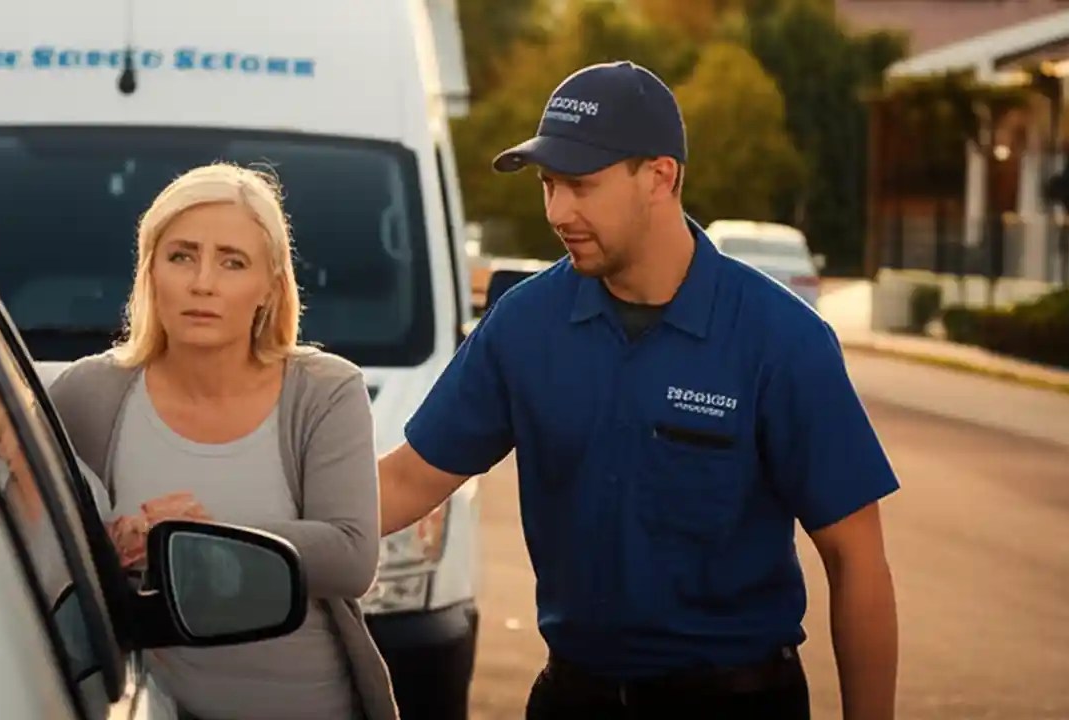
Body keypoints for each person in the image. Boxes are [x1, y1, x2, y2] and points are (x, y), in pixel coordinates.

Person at [378, 60, 900, 719]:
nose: (557, 211)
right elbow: (403, 483)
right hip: (574, 699)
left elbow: (856, 561)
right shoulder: (525, 324)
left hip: (736, 701)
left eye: (581, 185)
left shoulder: (780, 339)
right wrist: (257, 527)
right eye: (548, 185)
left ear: (659, 177)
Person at [46, 162, 398, 720]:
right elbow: (49, 549)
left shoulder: (324, 390)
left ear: (269, 288)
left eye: (232, 262)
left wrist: (192, 543)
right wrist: (112, 550)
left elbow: (352, 555)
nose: (202, 282)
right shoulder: (90, 393)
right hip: (148, 707)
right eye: (181, 256)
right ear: (150, 271)